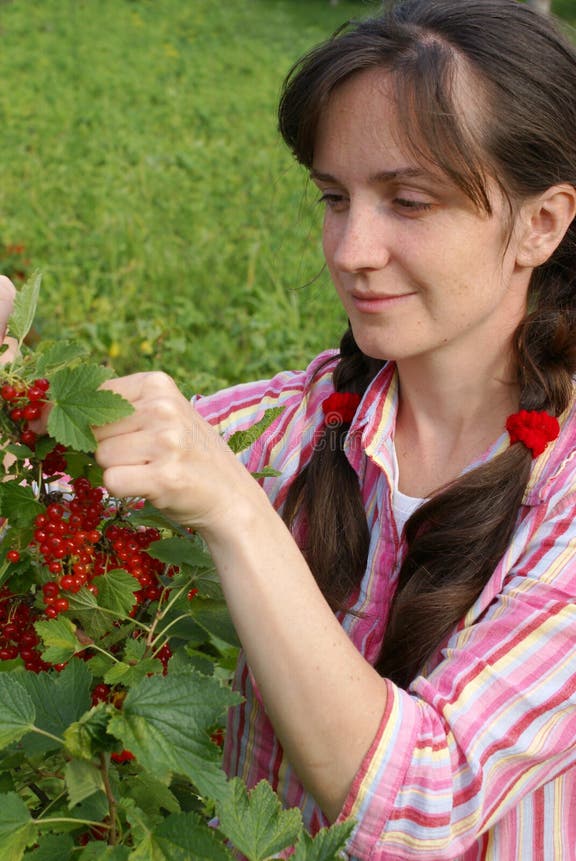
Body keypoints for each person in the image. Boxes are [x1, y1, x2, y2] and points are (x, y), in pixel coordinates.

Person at [4, 0, 576, 856]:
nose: (350, 248)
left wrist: (236, 510)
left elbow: (427, 801)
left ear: (541, 222)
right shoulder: (310, 413)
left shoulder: (560, 493)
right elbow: (66, 496)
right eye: (335, 197)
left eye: (408, 201)